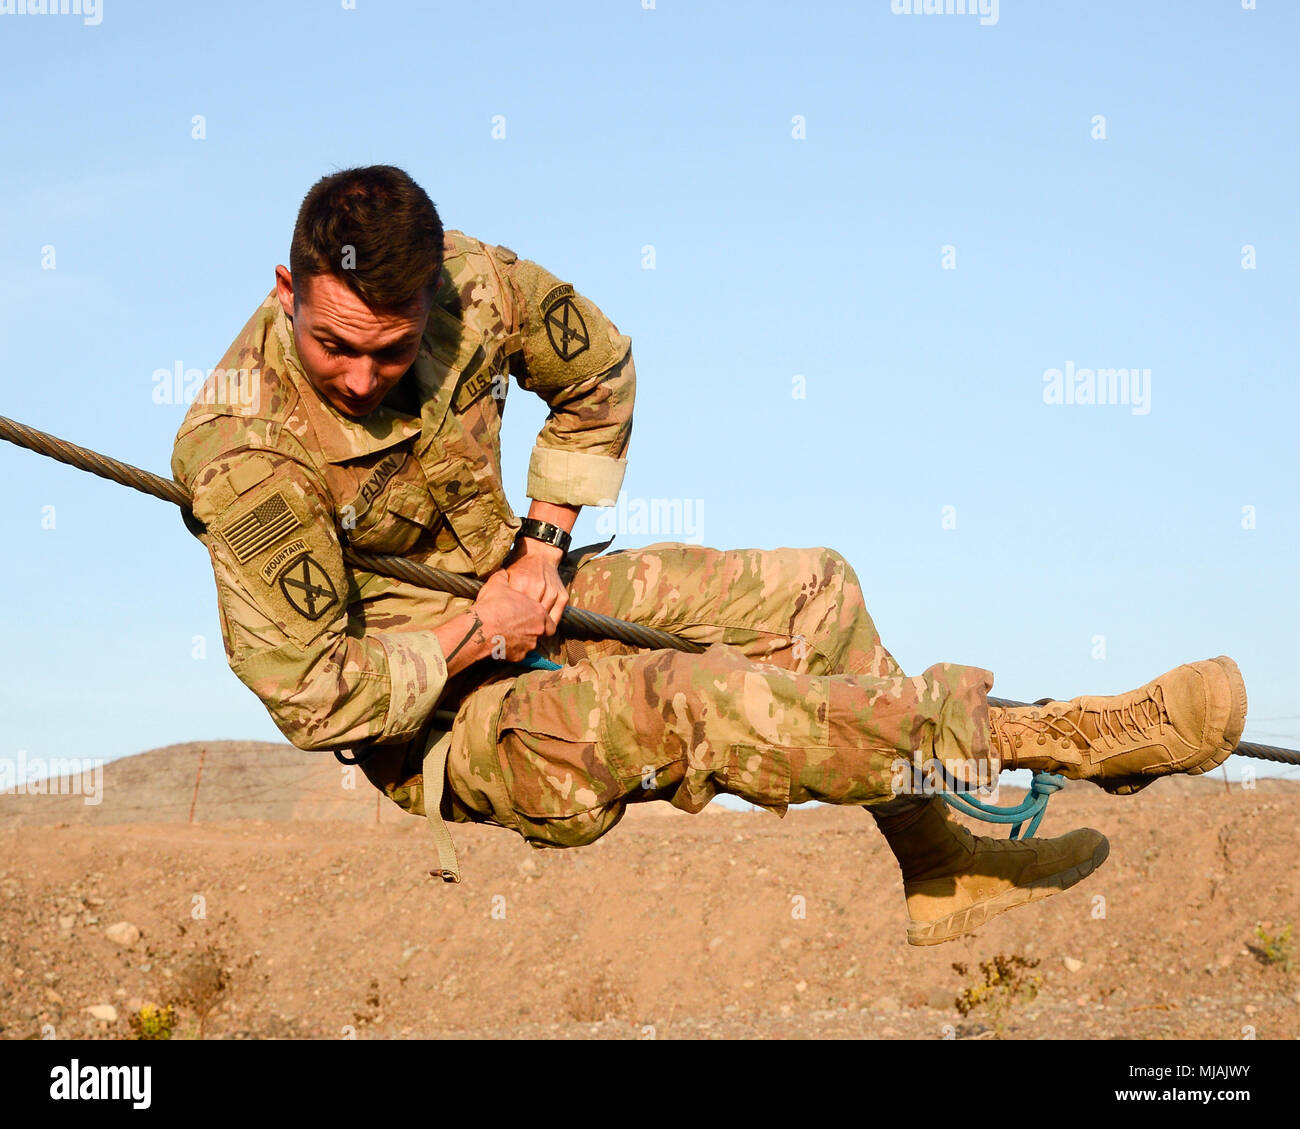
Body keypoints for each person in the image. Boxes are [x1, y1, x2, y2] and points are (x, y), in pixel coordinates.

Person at [172, 165, 1247, 947]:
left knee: (812, 593)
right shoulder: (243, 454)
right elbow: (317, 700)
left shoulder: (475, 288)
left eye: (390, 348)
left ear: (428, 302)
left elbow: (598, 373)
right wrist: (474, 631)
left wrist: (543, 548)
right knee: (691, 701)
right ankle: (1051, 736)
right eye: (333, 347)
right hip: (448, 724)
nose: (361, 377)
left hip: (522, 594)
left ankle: (937, 863)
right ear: (285, 289)